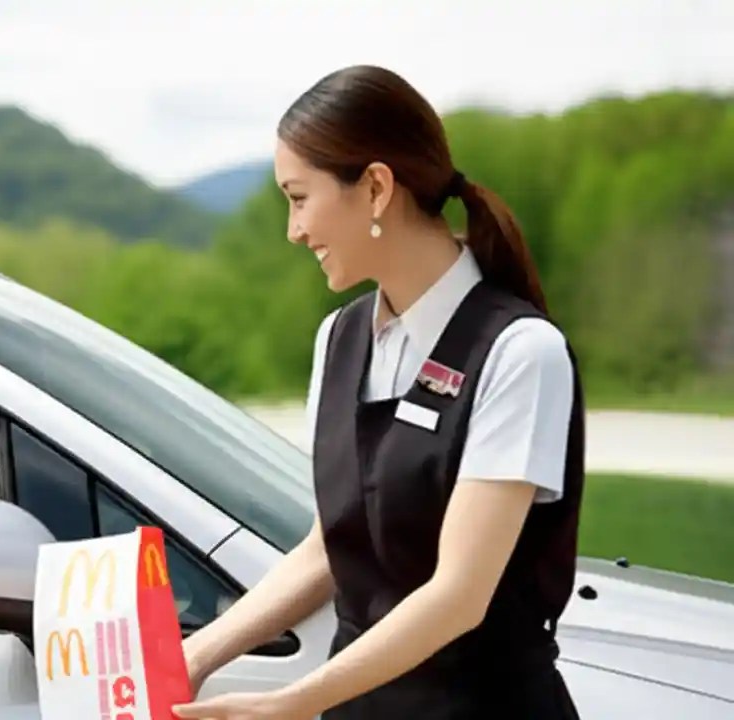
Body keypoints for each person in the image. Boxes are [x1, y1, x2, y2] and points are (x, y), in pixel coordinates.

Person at [174, 65, 584, 719]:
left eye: (300, 197)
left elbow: (458, 595)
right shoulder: (338, 342)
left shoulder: (519, 353)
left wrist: (295, 702)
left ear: (374, 188)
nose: (293, 230)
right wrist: (194, 658)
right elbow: (326, 549)